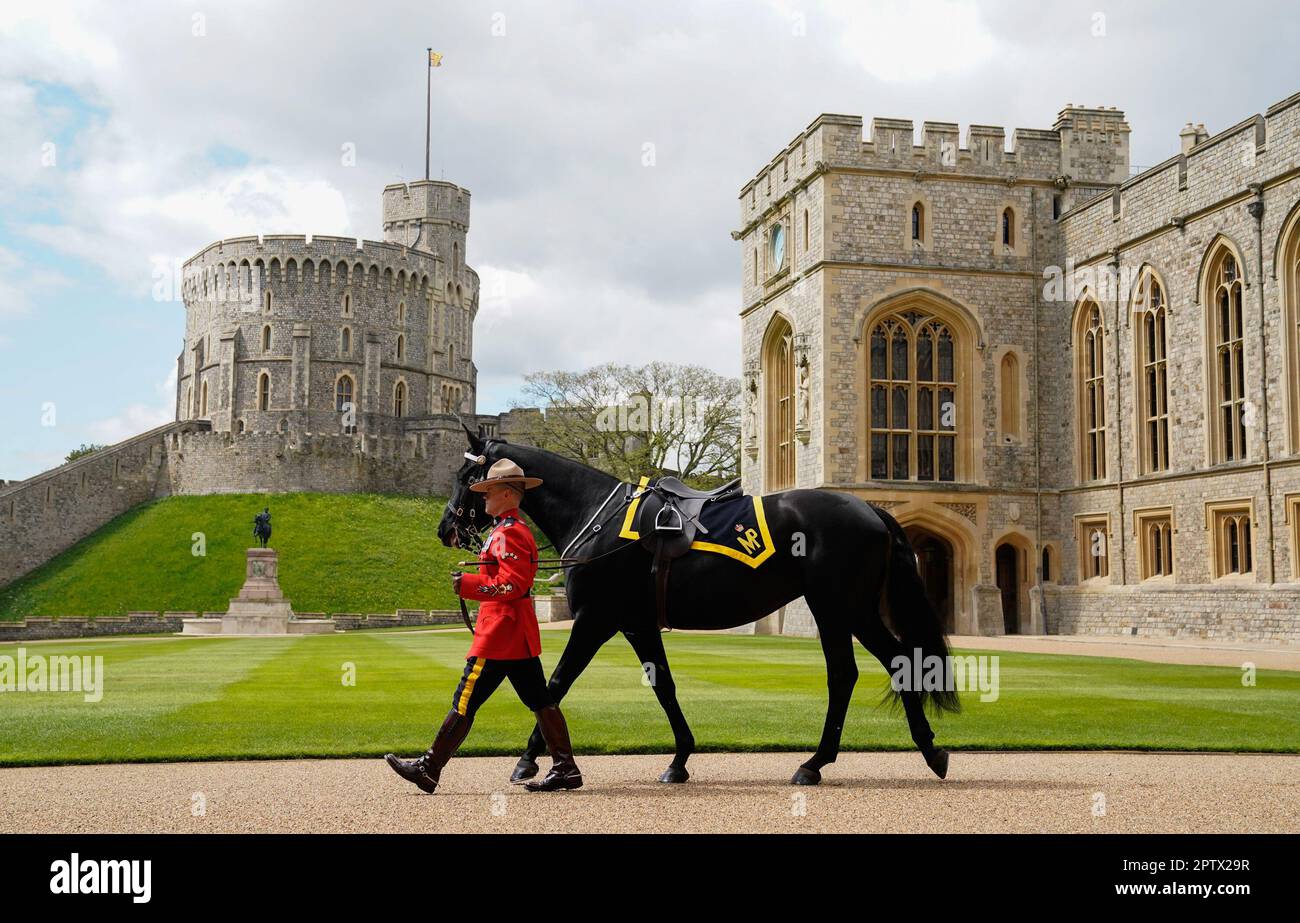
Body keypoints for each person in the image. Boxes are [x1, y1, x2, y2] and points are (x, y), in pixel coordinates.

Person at [384, 458, 582, 794]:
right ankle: (565, 768)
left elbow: (513, 585)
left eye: (488, 492)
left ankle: (429, 767)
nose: (483, 499)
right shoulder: (504, 531)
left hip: (501, 633)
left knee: (465, 700)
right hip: (511, 634)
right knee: (540, 701)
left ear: (506, 494)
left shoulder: (510, 534)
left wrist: (469, 585)